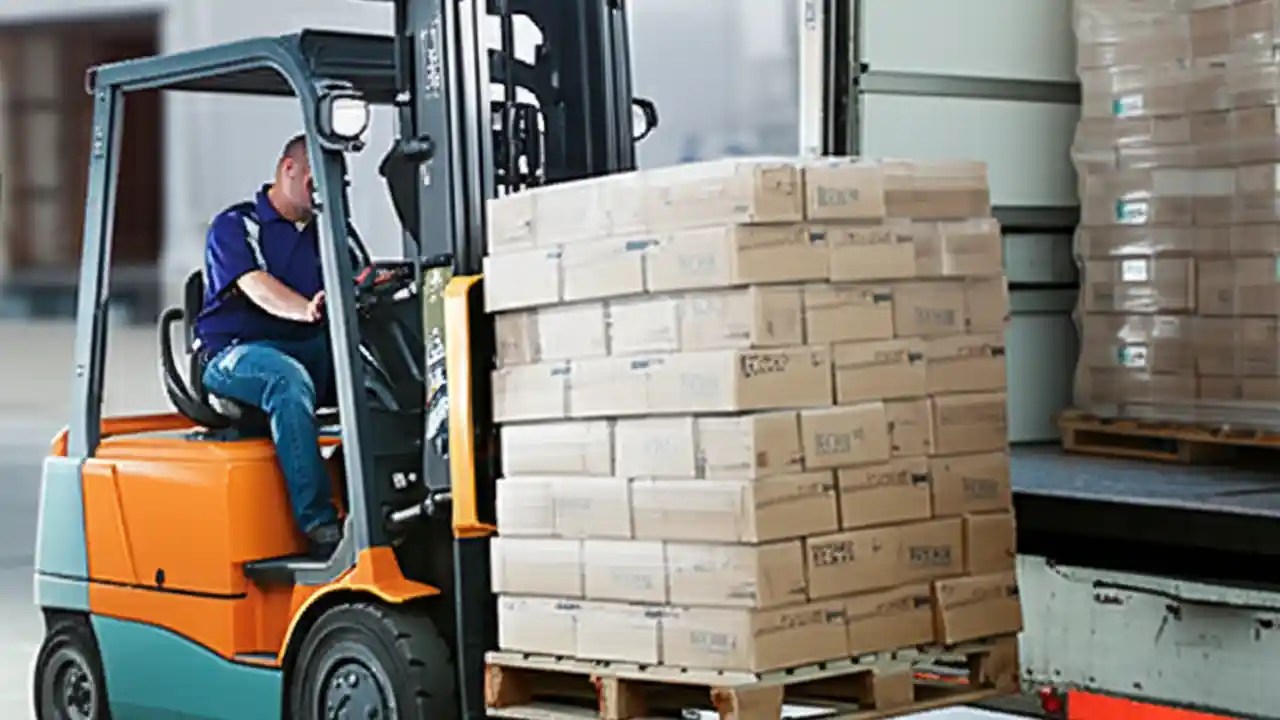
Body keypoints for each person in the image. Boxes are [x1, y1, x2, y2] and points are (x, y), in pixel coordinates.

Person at [193, 133, 343, 560]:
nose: (322, 194)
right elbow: (256, 286)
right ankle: (319, 524)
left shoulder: (329, 229)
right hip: (234, 354)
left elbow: (356, 279)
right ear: (288, 168)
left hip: (306, 347)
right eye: (315, 182)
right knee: (285, 378)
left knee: (383, 368)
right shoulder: (237, 225)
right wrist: (306, 309)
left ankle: (388, 499)